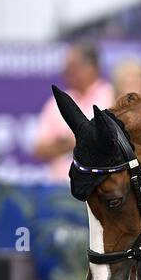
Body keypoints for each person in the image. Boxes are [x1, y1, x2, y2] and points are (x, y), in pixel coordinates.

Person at [32, 42, 114, 182]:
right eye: (66, 69)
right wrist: (77, 142)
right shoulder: (57, 101)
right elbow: (39, 149)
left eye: (73, 68)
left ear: (93, 68)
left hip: (101, 185)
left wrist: (74, 141)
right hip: (61, 186)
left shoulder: (111, 95)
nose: (67, 73)